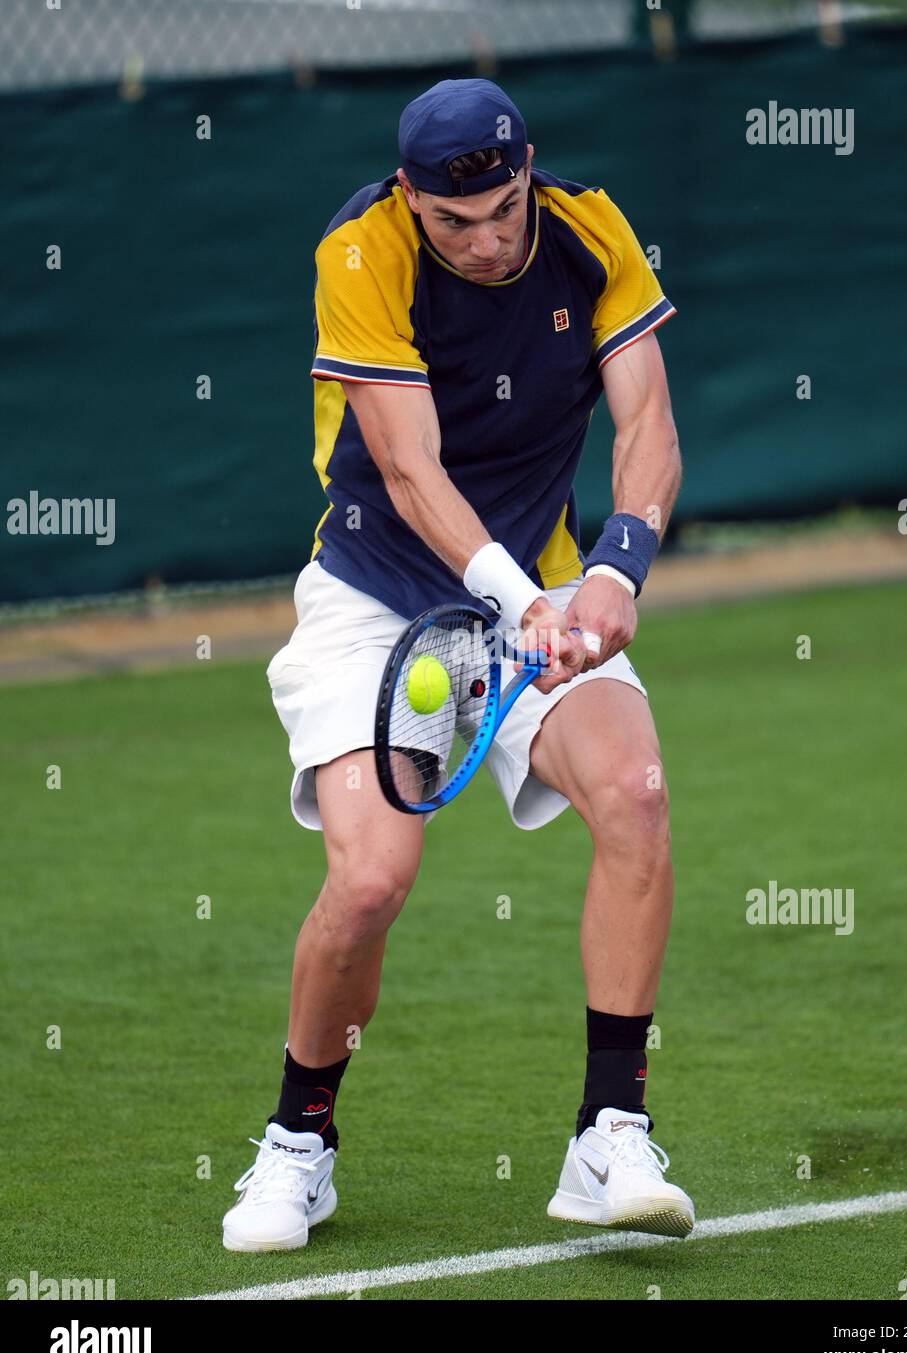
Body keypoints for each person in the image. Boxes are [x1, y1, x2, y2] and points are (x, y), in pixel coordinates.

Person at [223, 77, 692, 1251]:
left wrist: (614, 574)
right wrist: (522, 599)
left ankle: (608, 1134)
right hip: (379, 599)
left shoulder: (592, 233)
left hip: (540, 583)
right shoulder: (362, 251)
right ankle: (300, 1140)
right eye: (453, 222)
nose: (485, 242)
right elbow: (411, 464)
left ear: (529, 168)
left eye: (503, 209)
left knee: (635, 797)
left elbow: (645, 428)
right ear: (411, 199)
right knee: (372, 881)